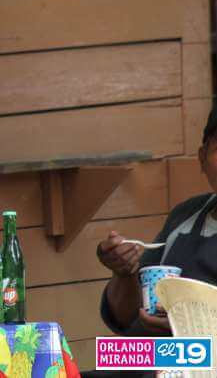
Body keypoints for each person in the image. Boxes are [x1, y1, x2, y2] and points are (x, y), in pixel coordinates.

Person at [92, 105, 217, 375]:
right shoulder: (186, 216)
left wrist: (187, 333)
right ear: (202, 158)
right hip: (147, 362)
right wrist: (124, 273)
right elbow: (126, 321)